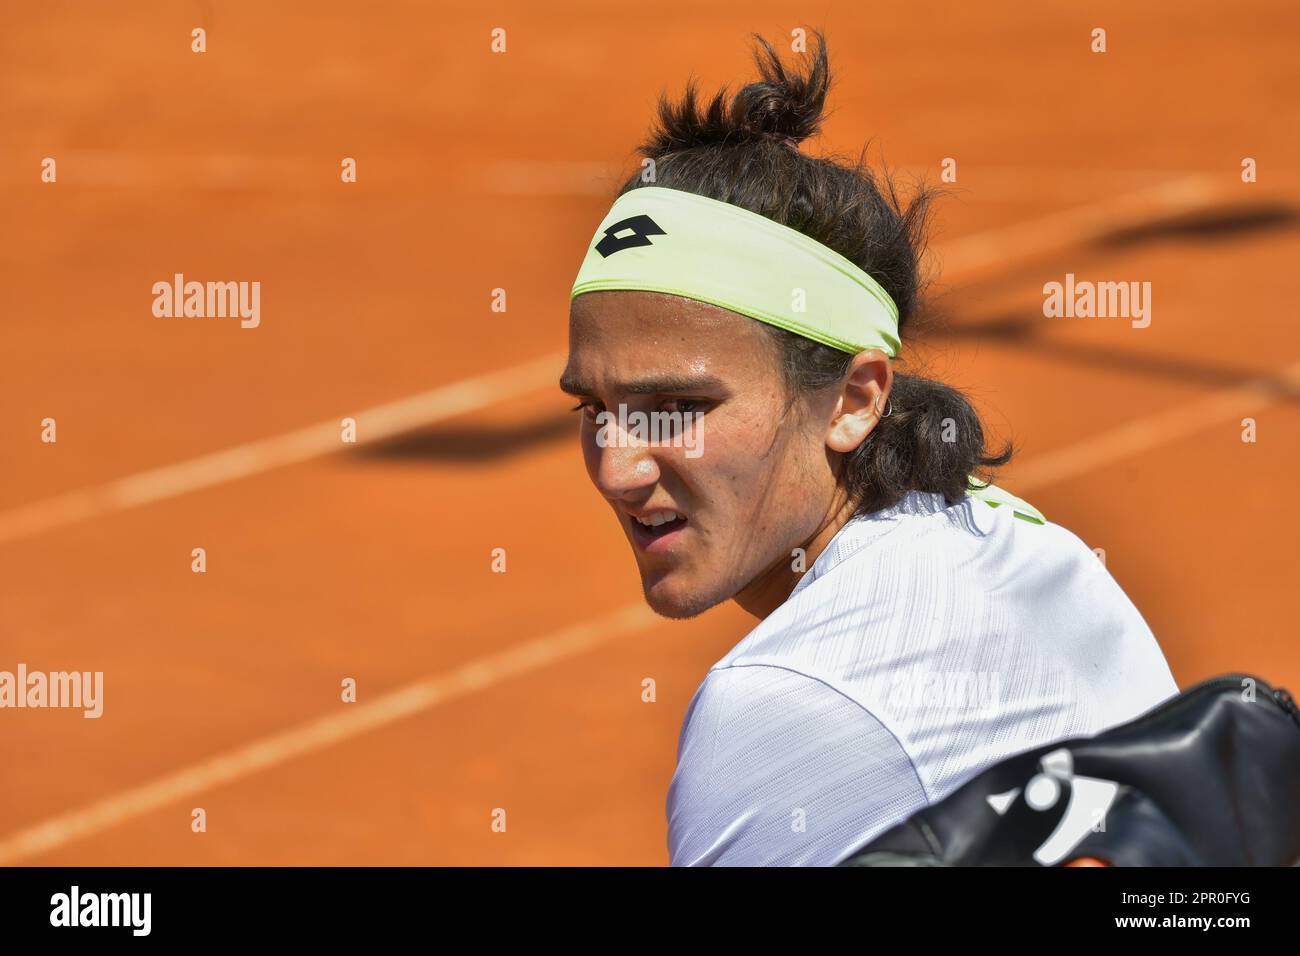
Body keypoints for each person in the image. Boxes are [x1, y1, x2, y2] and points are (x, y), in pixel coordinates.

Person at [560, 31, 1178, 866]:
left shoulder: (784, 703)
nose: (618, 467)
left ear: (854, 400)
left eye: (678, 406)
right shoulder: (1034, 550)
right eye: (595, 406)